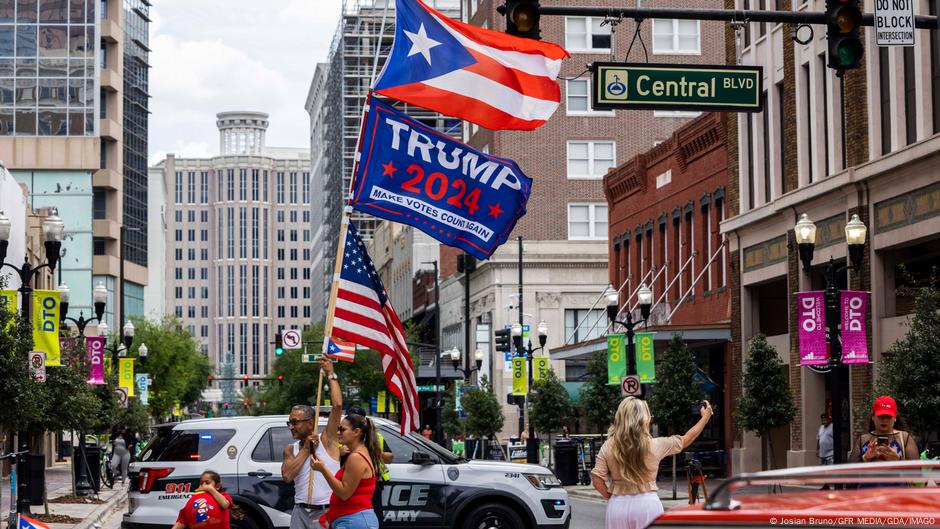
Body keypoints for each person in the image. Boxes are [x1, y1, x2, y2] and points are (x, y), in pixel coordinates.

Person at [592, 397, 713, 529]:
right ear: (645, 418)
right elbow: (687, 439)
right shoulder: (655, 445)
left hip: (617, 506)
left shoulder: (608, 446)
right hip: (647, 505)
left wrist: (612, 497)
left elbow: (597, 479)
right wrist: (705, 418)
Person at [281, 358, 343, 529]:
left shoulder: (327, 440)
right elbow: (287, 476)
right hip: (299, 512)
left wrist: (331, 374)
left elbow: (337, 406)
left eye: (295, 422)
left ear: (310, 422)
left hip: (324, 513)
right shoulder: (290, 449)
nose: (291, 427)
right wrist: (306, 449)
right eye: (289, 423)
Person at [313, 413, 384, 529]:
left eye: (342, 429)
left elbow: (344, 493)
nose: (338, 433)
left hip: (354, 520)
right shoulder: (358, 454)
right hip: (350, 519)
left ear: (357, 432)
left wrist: (323, 469)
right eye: (338, 429)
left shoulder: (356, 457)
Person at [852, 395, 919, 463]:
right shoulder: (862, 440)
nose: (884, 420)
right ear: (873, 417)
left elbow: (917, 469)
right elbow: (849, 470)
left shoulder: (904, 438)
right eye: (880, 416)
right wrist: (865, 458)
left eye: (888, 416)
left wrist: (898, 459)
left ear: (895, 418)